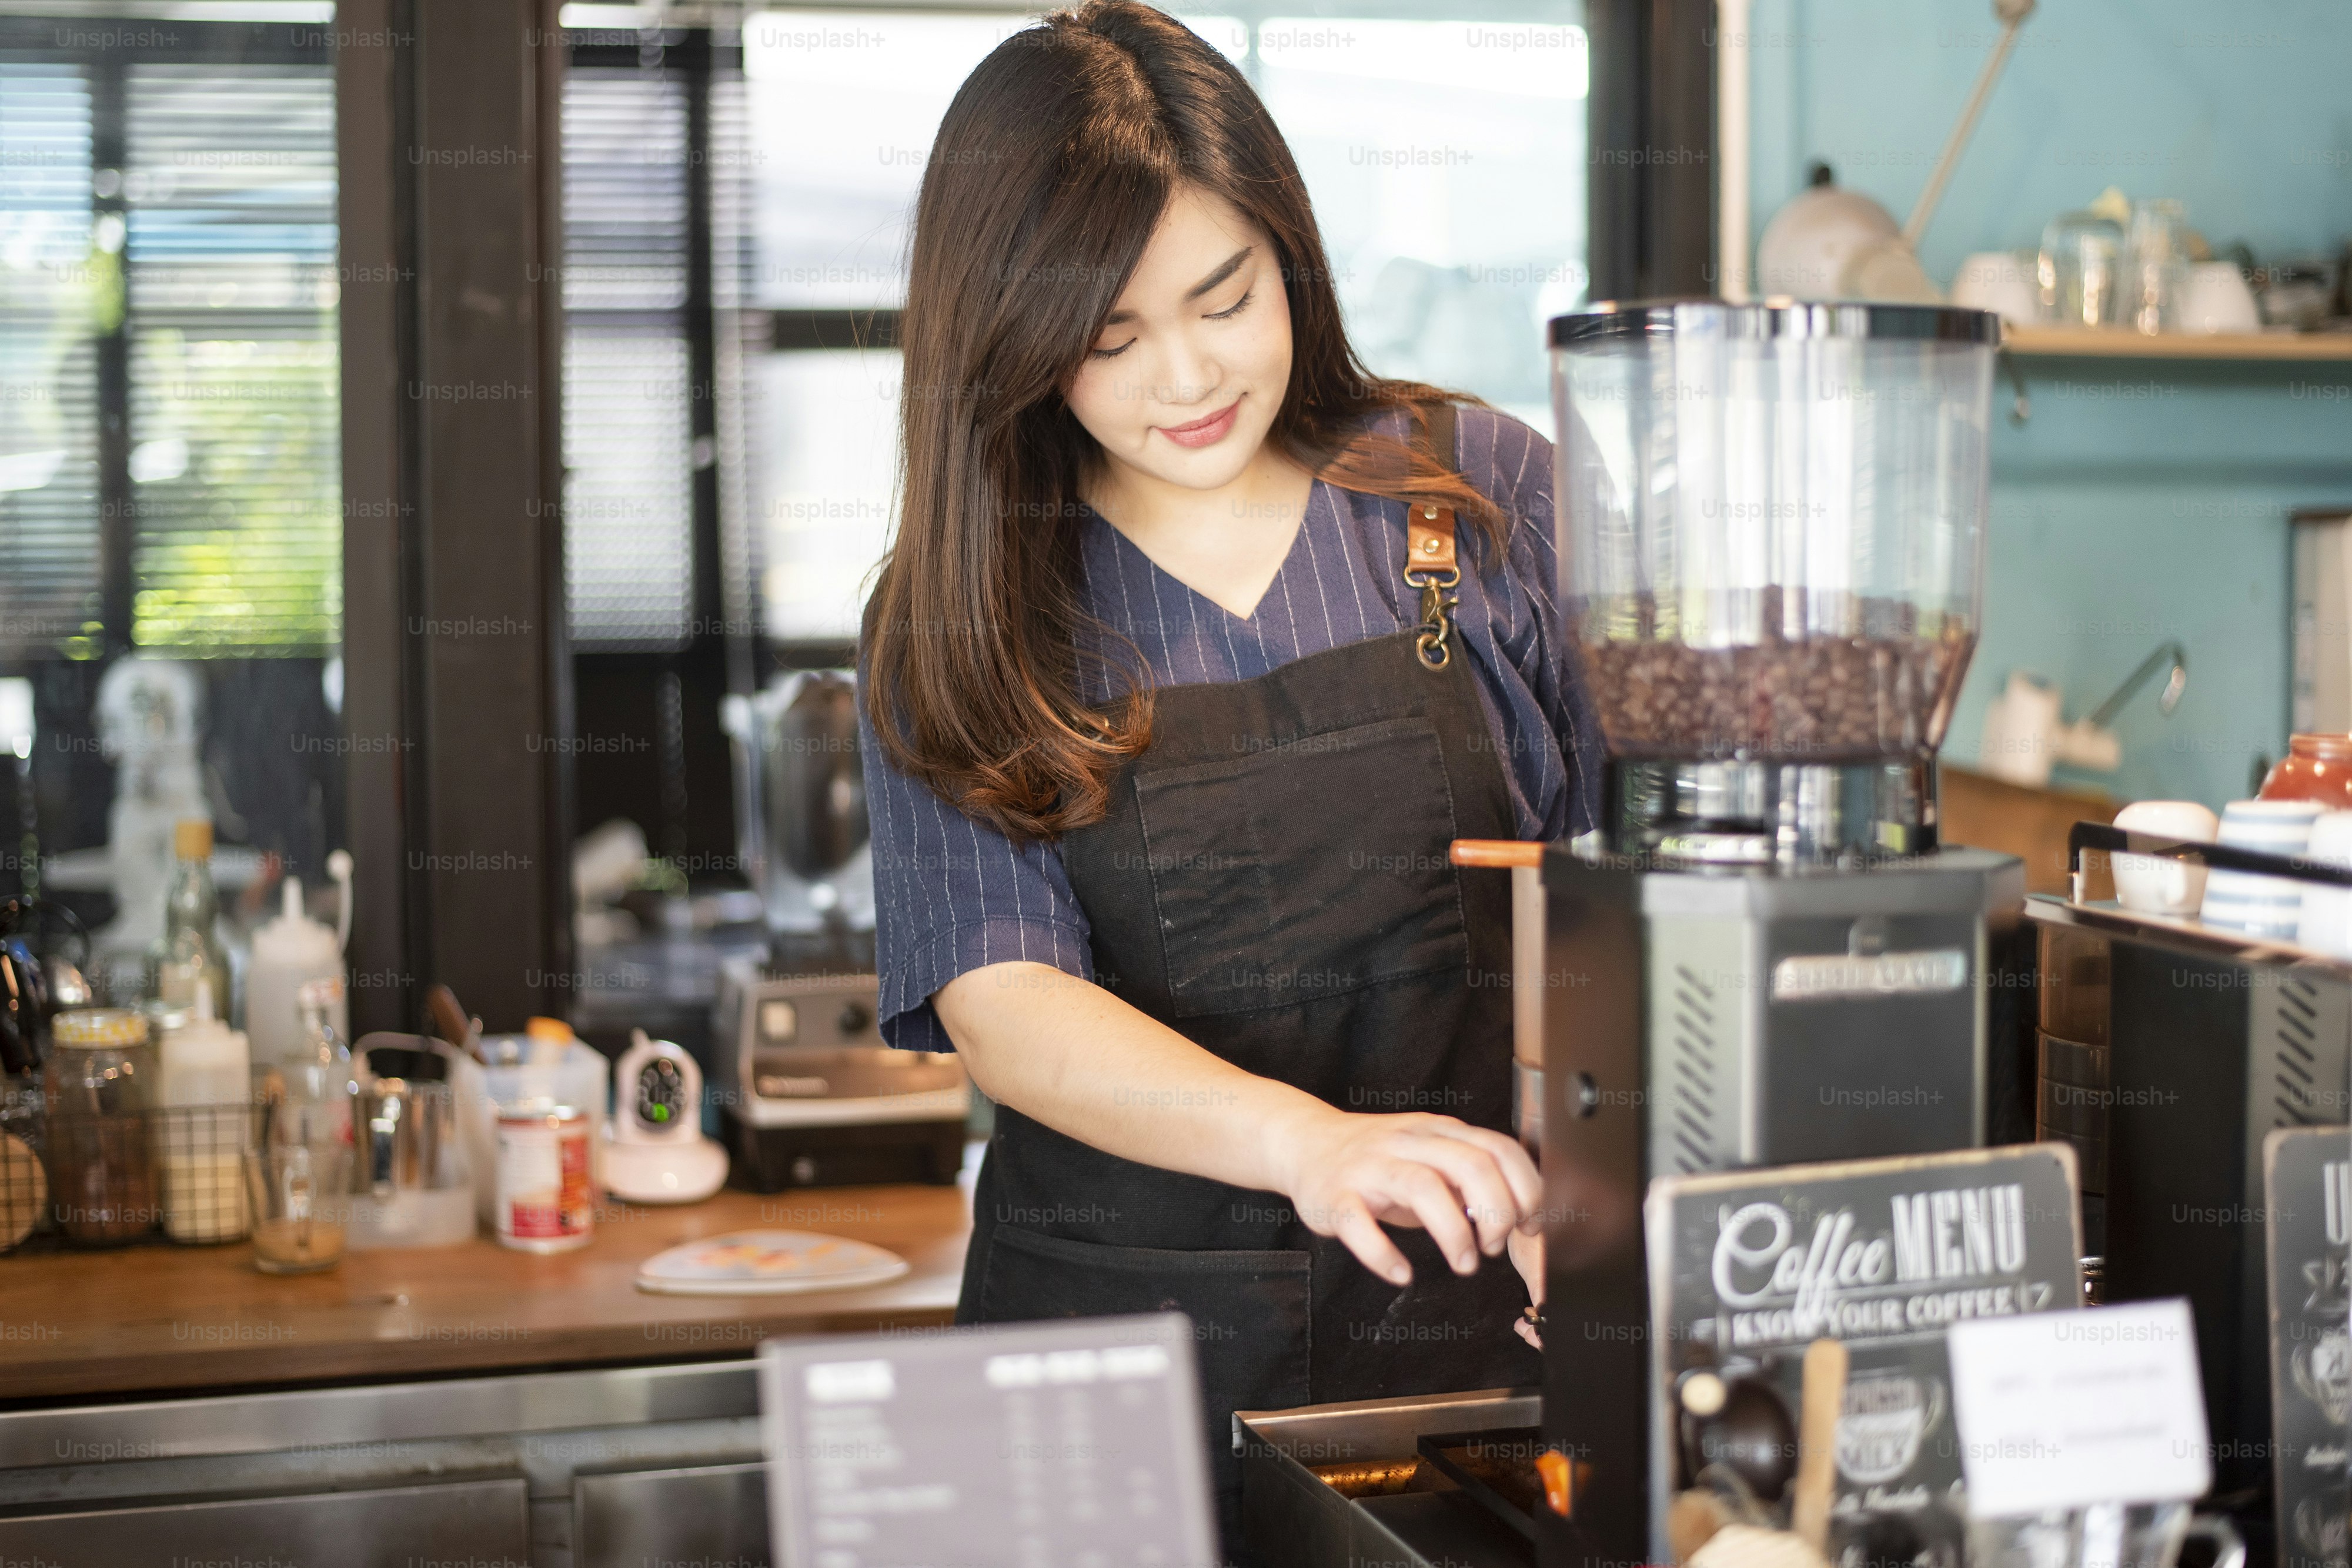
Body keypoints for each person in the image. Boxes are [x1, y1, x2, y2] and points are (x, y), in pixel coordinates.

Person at [857, 2, 1605, 1551]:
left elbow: (1630, 895)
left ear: (1291, 256)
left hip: (1466, 1364)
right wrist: (1309, 1143)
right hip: (1091, 1376)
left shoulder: (1484, 493)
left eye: (1226, 296)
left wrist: (1610, 1184)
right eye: (1109, 335)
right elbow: (1003, 996)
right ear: (1006, 336)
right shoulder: (959, 607)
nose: (1187, 377)